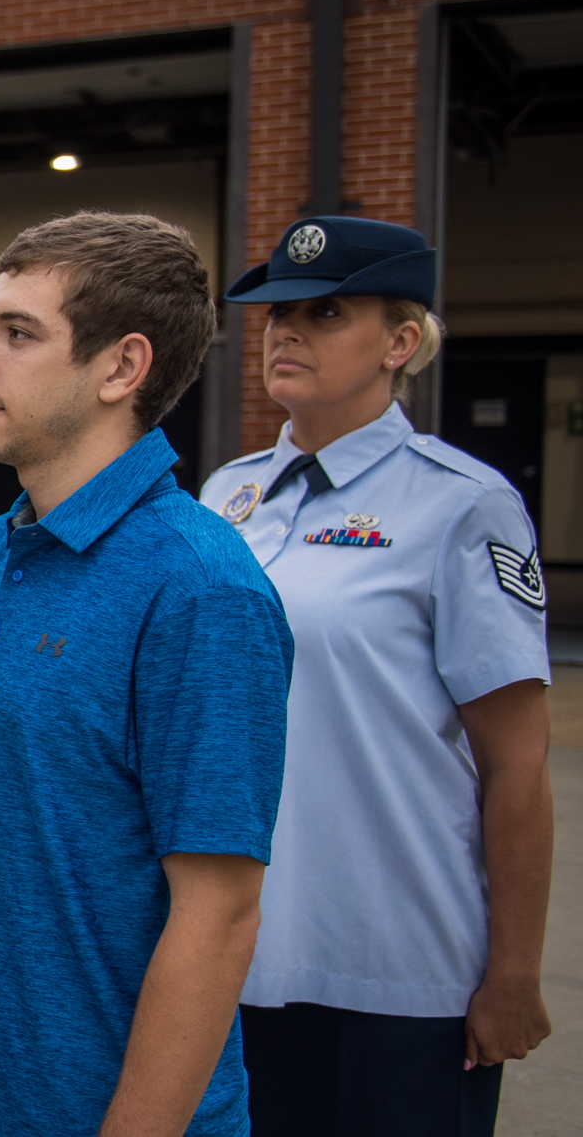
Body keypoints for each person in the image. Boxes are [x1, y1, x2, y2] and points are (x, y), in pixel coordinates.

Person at [0, 211, 294, 1136]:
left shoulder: (200, 588)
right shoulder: (3, 549)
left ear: (122, 368)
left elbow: (220, 915)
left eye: (17, 332)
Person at [201, 216, 553, 1137]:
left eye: (324, 312)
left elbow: (517, 765)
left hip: (400, 970)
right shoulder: (223, 496)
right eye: (277, 311)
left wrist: (513, 971)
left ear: (402, 341)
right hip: (233, 956)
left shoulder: (463, 505)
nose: (286, 330)